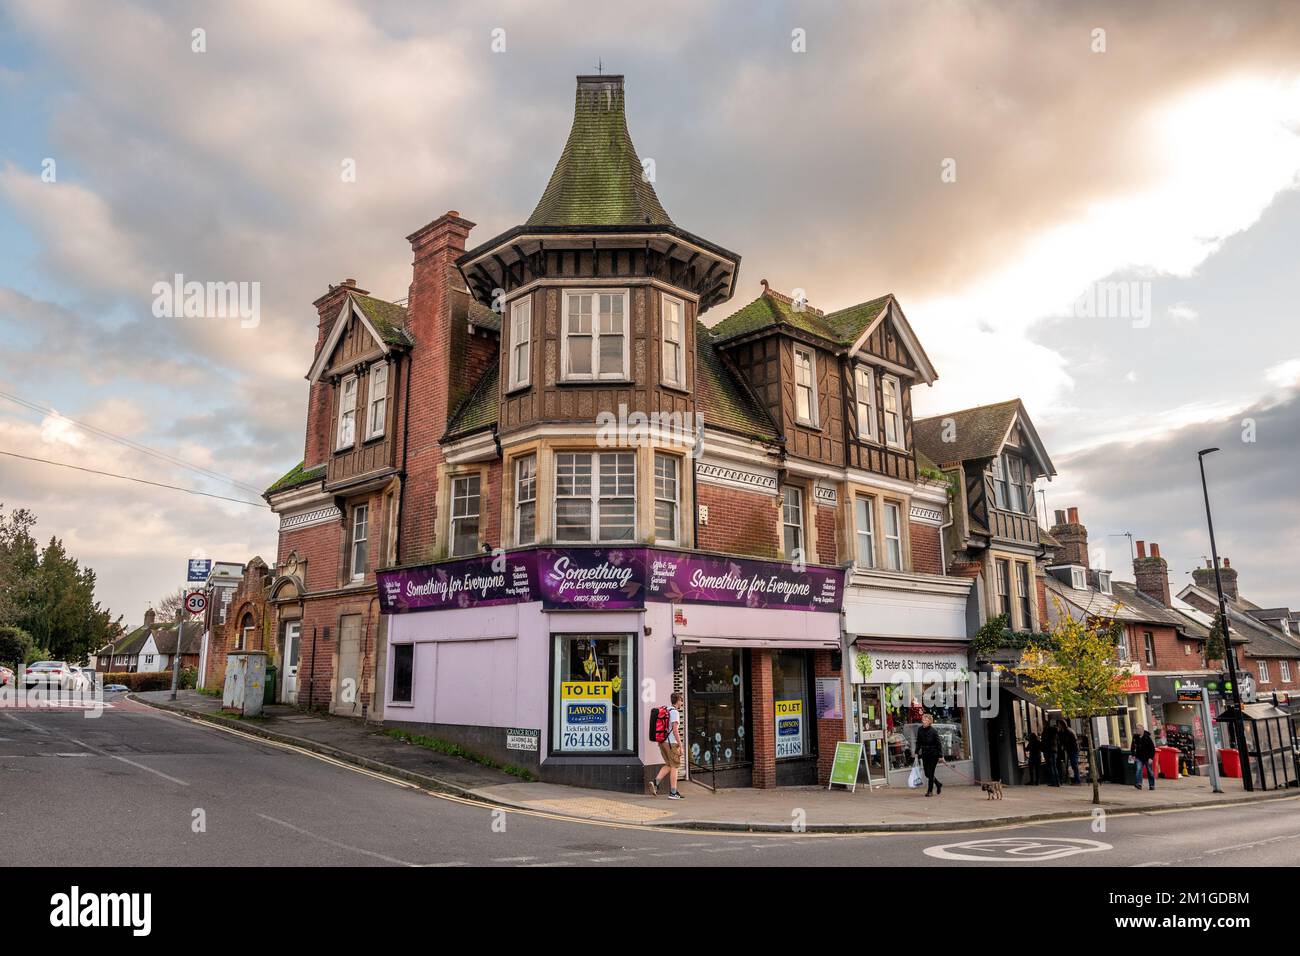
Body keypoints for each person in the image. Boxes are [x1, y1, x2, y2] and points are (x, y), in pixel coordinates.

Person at [651, 691, 685, 800]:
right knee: (675, 766)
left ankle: (655, 783)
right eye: (681, 701)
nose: (682, 703)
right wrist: (680, 745)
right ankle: (673, 792)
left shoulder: (667, 710)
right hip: (671, 743)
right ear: (677, 701)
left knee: (669, 764)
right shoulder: (674, 712)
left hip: (662, 742)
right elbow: (675, 730)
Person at [915, 712, 945, 796]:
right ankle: (938, 784)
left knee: (931, 773)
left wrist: (940, 756)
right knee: (927, 773)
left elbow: (939, 744)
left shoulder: (933, 731)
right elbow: (918, 742)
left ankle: (930, 791)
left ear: (929, 721)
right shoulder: (920, 730)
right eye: (923, 719)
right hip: (925, 754)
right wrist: (916, 752)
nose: (923, 721)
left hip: (933, 754)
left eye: (925, 719)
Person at [1131, 724, 1157, 791]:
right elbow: (1132, 747)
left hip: (1147, 757)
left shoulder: (1147, 737)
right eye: (1137, 729)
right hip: (1139, 757)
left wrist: (1151, 758)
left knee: (1150, 771)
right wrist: (1133, 755)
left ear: (1142, 730)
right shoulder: (1135, 737)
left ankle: (1152, 785)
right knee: (1138, 770)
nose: (1137, 730)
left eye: (1139, 729)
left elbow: (1152, 749)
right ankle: (1138, 784)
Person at [1059, 719, 1081, 785]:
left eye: (1059, 724)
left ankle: (1077, 781)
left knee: (1074, 765)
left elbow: (1066, 741)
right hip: (1073, 749)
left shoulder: (1067, 731)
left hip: (1073, 749)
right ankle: (1076, 780)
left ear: (1062, 724)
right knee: (1074, 765)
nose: (1059, 726)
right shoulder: (1068, 730)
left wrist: (1063, 746)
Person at [1041, 720, 1060, 787]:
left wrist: (1043, 749)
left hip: (1048, 751)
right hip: (1054, 750)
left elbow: (1044, 742)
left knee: (1050, 766)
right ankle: (1057, 782)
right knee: (1054, 766)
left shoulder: (1046, 731)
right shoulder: (1054, 731)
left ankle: (1053, 782)